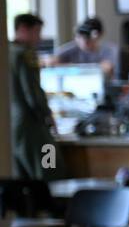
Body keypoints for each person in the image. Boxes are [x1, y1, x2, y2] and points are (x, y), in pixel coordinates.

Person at [9, 13, 61, 179]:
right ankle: (52, 203)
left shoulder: (6, 52)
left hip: (12, 125)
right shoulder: (25, 55)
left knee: (21, 177)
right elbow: (32, 93)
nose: (39, 38)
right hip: (31, 124)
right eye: (37, 32)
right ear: (23, 29)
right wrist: (48, 116)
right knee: (50, 168)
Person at [55, 17, 120, 79]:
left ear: (99, 35)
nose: (85, 40)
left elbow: (107, 68)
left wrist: (72, 67)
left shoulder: (109, 49)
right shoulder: (73, 47)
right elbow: (51, 61)